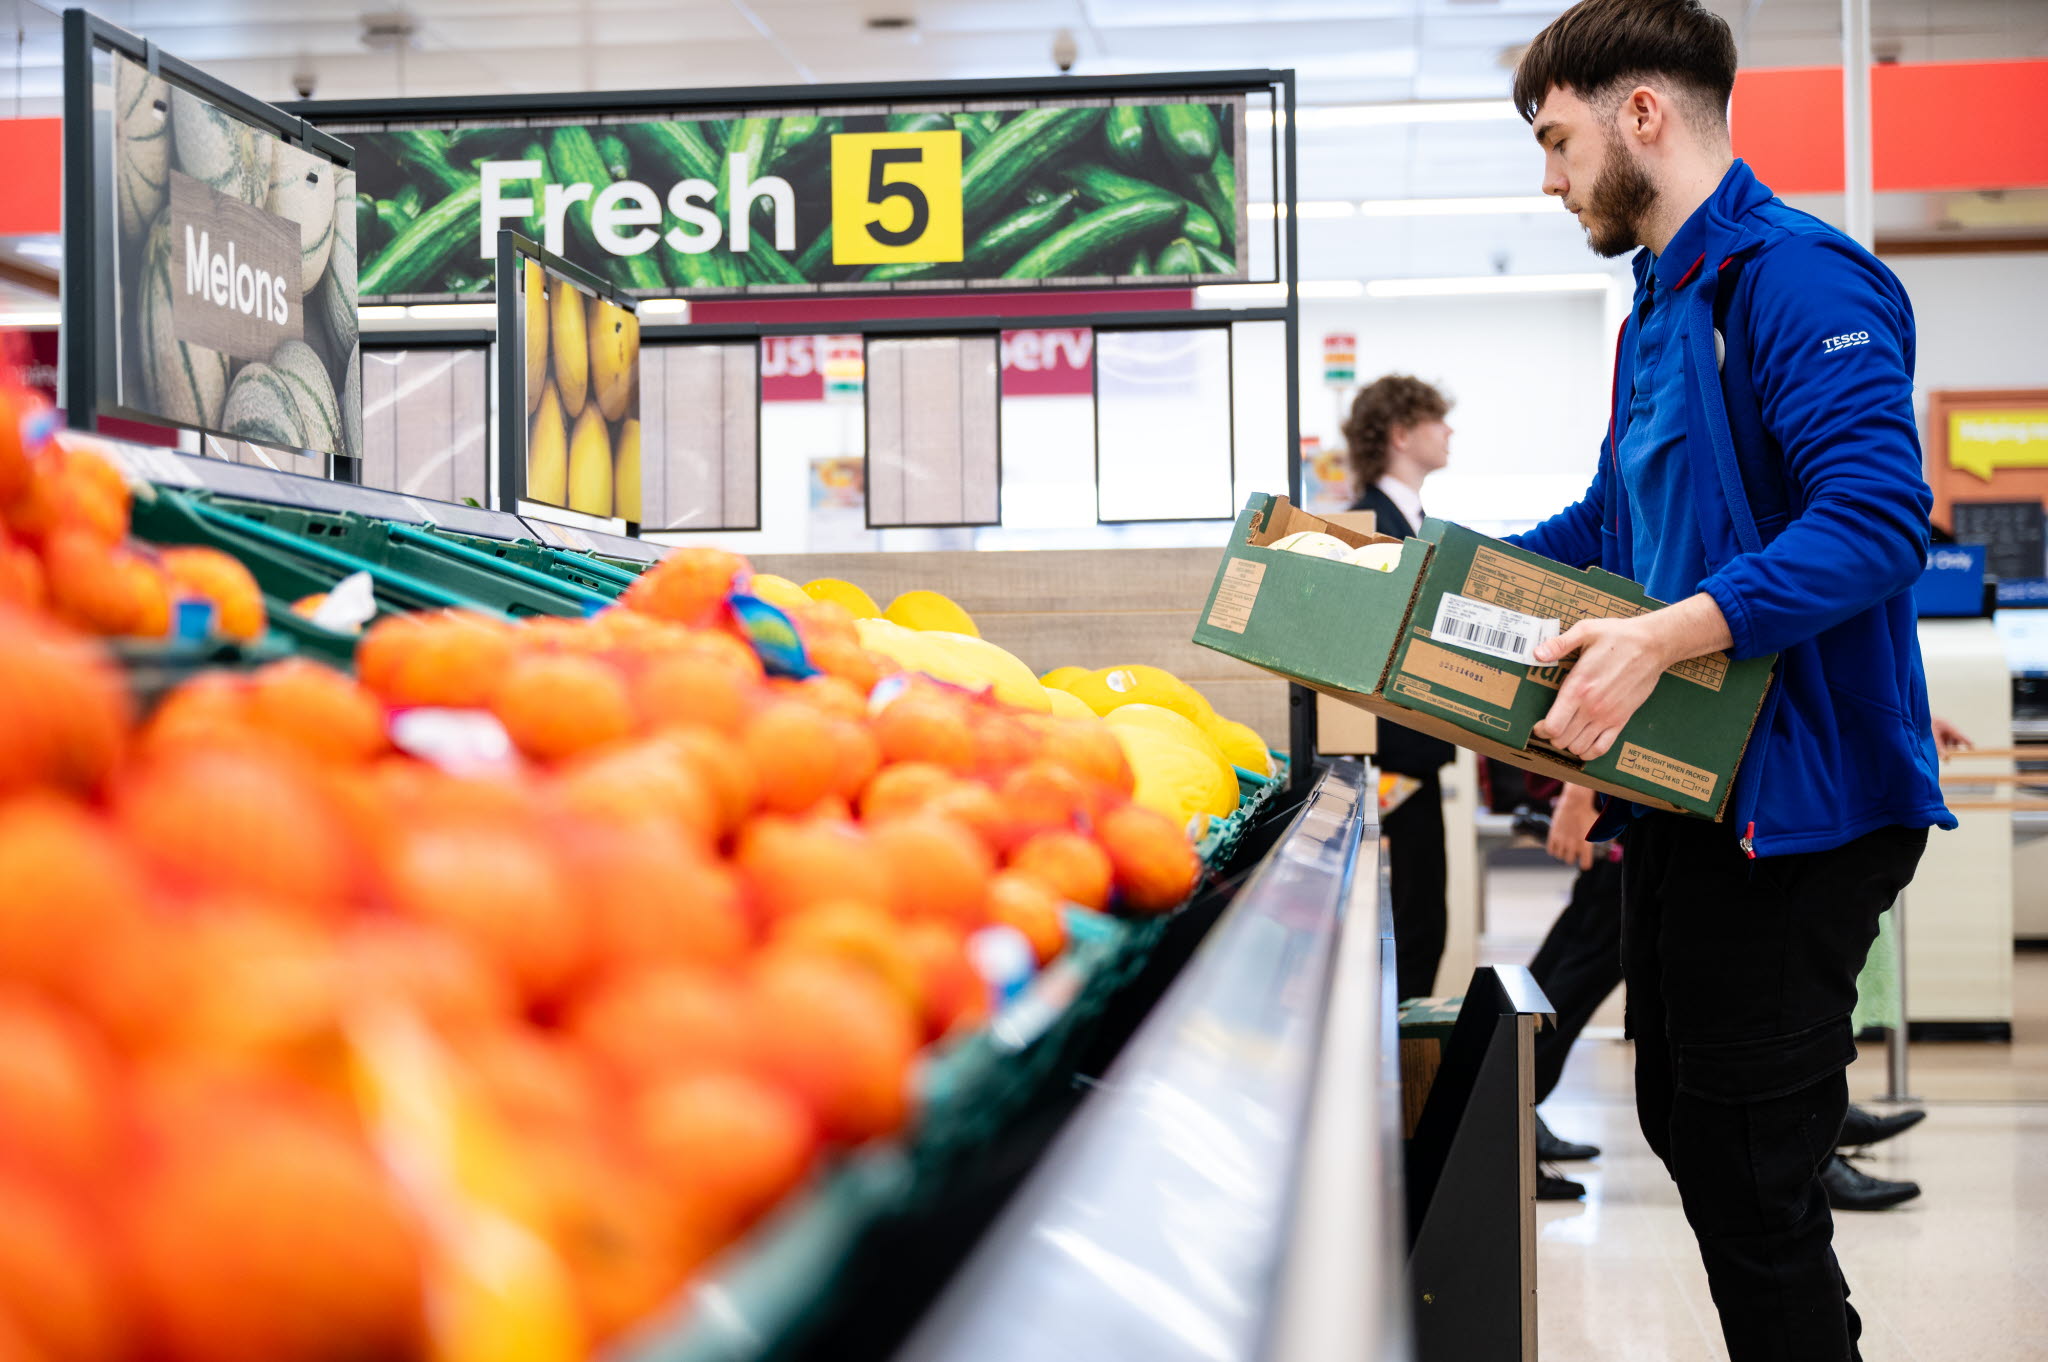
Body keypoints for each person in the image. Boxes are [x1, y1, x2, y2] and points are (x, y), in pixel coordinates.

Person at [1506, 3, 1954, 1358]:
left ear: (1642, 112)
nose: (1550, 179)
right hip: (1685, 793)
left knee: (1756, 1177)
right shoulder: (1659, 306)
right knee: (1688, 1124)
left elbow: (1875, 519)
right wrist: (1418, 580)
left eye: (1558, 140)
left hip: (1800, 807)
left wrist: (1660, 637)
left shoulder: (1796, 280)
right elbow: (1610, 528)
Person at [1525, 771, 1941, 1210]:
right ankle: (1506, 1105)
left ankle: (1508, 1104)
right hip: (1673, 803)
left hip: (1681, 806)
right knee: (1603, 971)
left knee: (1585, 961)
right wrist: (1577, 792)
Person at [1343, 374, 1458, 1000]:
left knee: (1423, 923)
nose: (1449, 431)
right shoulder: (1369, 527)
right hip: (1391, 761)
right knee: (1411, 930)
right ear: (1401, 434)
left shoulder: (1416, 523)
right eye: (1436, 419)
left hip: (1416, 756)